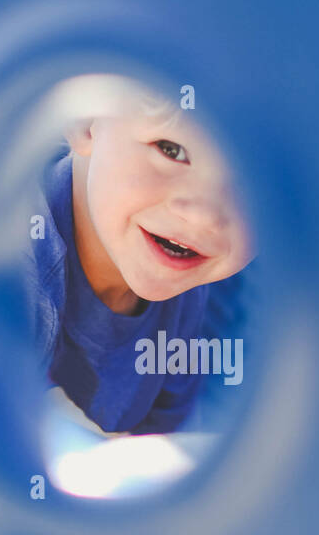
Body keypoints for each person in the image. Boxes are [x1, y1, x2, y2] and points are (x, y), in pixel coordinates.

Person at [30, 80, 253, 434]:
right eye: (171, 149)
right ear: (87, 121)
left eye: (250, 182)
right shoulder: (20, 268)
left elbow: (169, 453)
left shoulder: (192, 297)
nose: (203, 215)